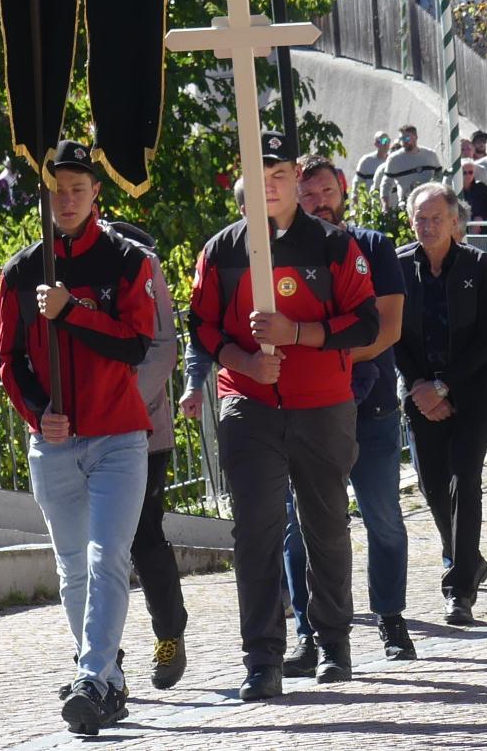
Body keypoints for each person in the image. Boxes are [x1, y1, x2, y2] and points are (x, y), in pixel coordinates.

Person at [188, 133, 379, 700]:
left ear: (296, 178)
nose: (268, 184)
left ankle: (334, 644)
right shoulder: (222, 249)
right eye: (258, 174)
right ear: (242, 179)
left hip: (322, 404)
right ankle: (262, 658)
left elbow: (366, 323)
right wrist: (241, 358)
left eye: (279, 174)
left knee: (326, 526)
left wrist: (301, 335)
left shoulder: (333, 245)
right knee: (256, 530)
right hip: (249, 405)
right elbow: (201, 323)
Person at [0, 141, 157, 735]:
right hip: (55, 442)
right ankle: (107, 675)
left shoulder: (125, 260)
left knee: (106, 555)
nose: (66, 200)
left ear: (96, 195)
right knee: (72, 567)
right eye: (57, 189)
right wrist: (39, 415)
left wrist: (73, 311)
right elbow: (9, 360)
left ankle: (91, 675)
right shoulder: (20, 271)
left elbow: (136, 342)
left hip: (117, 436)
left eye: (77, 190)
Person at [281, 156, 416, 667]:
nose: (318, 201)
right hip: (306, 410)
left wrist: (321, 355)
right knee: (301, 528)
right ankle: (307, 633)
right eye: (308, 193)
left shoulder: (375, 247)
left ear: (343, 192)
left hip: (370, 405)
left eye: (325, 191)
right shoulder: (280, 252)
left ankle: (390, 619)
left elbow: (388, 329)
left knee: (382, 519)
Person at [395, 182, 487, 625]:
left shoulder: (478, 265)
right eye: (420, 218)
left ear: (455, 221)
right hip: (420, 395)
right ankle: (468, 557)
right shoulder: (399, 267)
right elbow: (393, 334)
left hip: (471, 394)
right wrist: (420, 386)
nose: (428, 225)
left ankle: (459, 589)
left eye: (436, 217)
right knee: (433, 486)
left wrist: (444, 385)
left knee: (465, 481)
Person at [102, 218, 190, 691]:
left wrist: (114, 405)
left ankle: (169, 632)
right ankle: (98, 658)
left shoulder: (139, 259)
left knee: (142, 536)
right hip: (79, 434)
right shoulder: (54, 259)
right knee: (91, 549)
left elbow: (161, 350)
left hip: (141, 428)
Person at [379, 125, 442, 208]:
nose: (403, 142)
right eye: (401, 139)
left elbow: (440, 175)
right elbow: (386, 184)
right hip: (407, 204)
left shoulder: (430, 155)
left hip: (431, 201)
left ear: (415, 137)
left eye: (406, 139)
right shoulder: (394, 159)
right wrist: (385, 205)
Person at [459, 159, 487, 223]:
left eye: (470, 172)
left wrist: (481, 218)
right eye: (464, 173)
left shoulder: (481, 188)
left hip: (481, 227)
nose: (468, 175)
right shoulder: (456, 190)